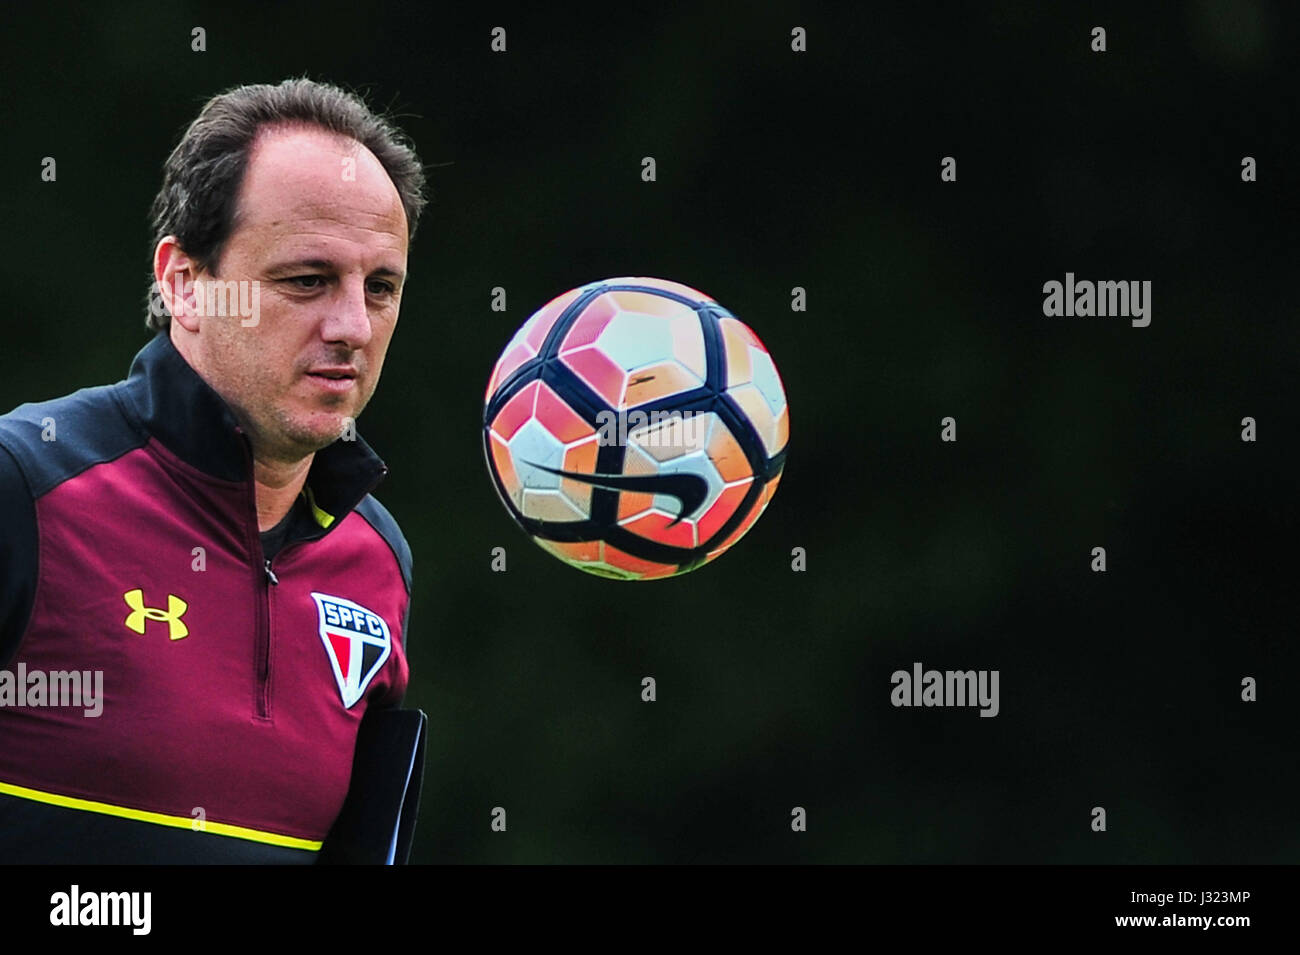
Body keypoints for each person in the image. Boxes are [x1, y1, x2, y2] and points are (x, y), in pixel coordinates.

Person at [0, 79, 428, 863]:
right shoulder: (26, 486)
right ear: (184, 283)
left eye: (382, 287)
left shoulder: (376, 561)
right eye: (307, 281)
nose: (353, 327)